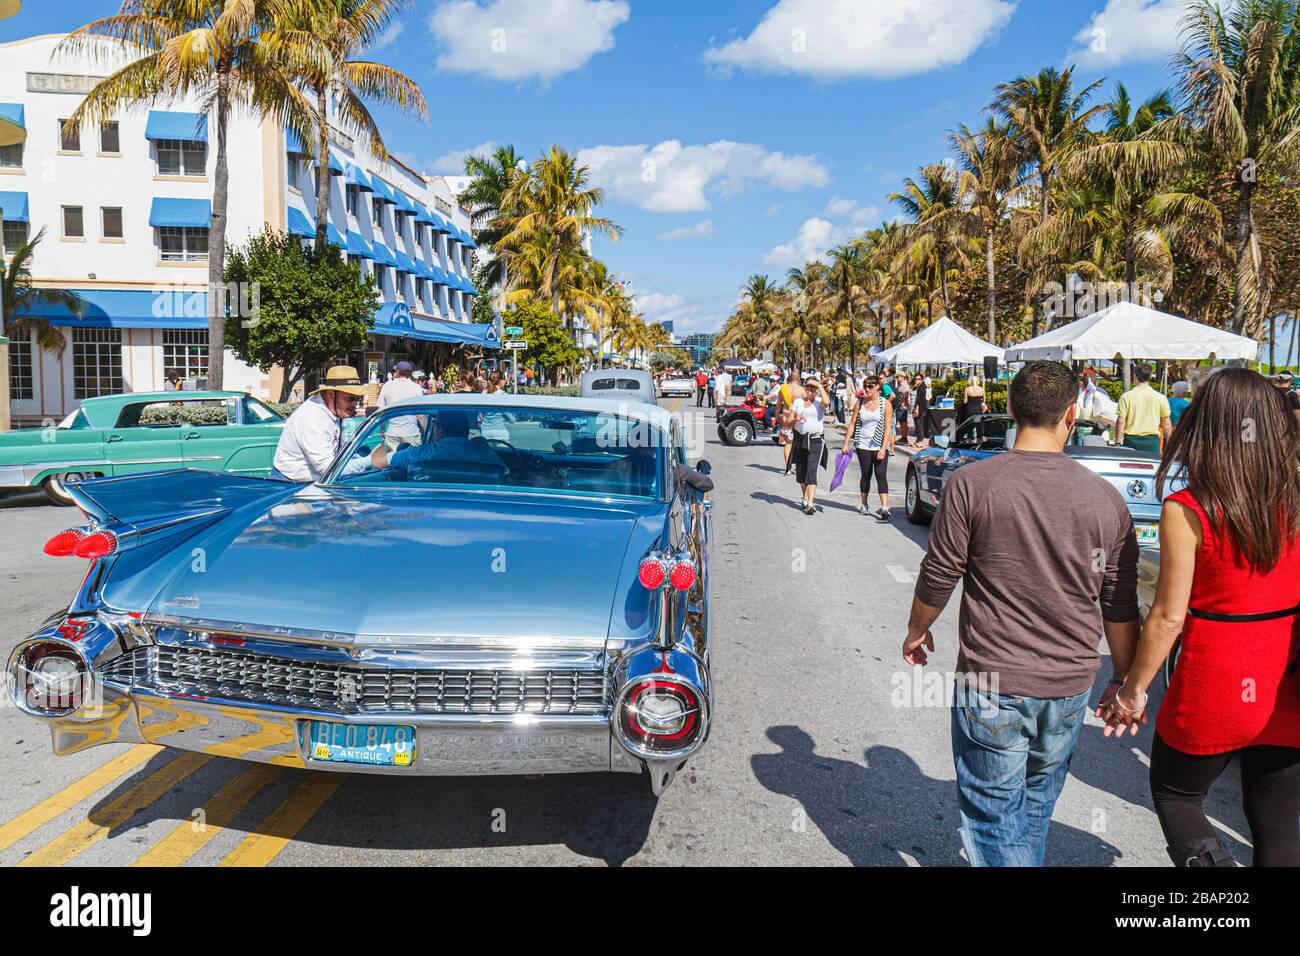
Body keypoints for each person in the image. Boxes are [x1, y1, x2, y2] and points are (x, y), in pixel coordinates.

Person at [902, 360, 1140, 867]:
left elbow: (940, 571)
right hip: (1071, 683)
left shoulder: (972, 484)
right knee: (1033, 808)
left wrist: (917, 629)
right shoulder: (1105, 499)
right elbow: (1118, 601)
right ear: (1072, 414)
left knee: (994, 822)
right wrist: (1123, 676)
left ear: (1010, 409)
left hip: (993, 680)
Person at [1101, 368, 1300, 867]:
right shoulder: (1293, 500)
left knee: (1177, 795)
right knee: (1278, 825)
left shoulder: (1189, 508)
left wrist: (1131, 691)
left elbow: (1168, 616)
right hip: (1286, 676)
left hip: (1220, 675)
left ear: (1205, 426)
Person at [272, 365, 367, 482]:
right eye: (350, 399)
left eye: (357, 399)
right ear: (330, 395)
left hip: (311, 480)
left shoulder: (332, 410)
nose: (355, 404)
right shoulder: (313, 417)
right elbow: (326, 468)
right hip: (291, 483)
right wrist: (370, 461)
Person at [842, 374, 895, 519]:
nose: (867, 389)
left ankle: (884, 507)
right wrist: (846, 443)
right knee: (866, 475)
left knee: (881, 475)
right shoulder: (860, 403)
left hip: (879, 444)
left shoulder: (886, 404)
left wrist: (884, 448)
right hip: (863, 444)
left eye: (870, 386)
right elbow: (852, 424)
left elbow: (887, 427)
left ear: (878, 386)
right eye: (865, 386)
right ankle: (864, 505)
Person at [789, 374, 830, 515]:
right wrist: (795, 418)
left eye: (813, 389)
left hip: (816, 440)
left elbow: (827, 402)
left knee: (812, 471)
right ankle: (805, 497)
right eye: (808, 388)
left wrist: (819, 385)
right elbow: (788, 422)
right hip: (800, 439)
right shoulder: (797, 402)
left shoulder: (819, 402)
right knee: (801, 472)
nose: (810, 391)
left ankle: (811, 503)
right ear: (804, 389)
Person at [1116, 362, 1172, 453]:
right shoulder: (1160, 397)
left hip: (1131, 441)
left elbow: (1121, 420)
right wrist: (1170, 442)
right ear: (1150, 377)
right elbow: (1167, 423)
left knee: (1129, 467)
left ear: (1134, 376)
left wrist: (1118, 442)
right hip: (1152, 442)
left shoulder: (1126, 396)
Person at [376, 361, 425, 452]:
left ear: (397, 372)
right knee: (411, 463)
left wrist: (382, 430)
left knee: (392, 462)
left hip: (392, 432)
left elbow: (382, 411)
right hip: (411, 433)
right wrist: (427, 431)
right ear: (410, 374)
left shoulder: (387, 386)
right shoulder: (416, 388)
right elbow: (420, 415)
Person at [912, 372, 930, 443]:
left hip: (920, 409)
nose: (916, 380)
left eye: (918, 379)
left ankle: (920, 440)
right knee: (917, 424)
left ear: (922, 380)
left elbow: (921, 400)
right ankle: (918, 440)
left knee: (919, 424)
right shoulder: (917, 386)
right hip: (916, 407)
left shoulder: (922, 388)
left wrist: (917, 409)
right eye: (915, 379)